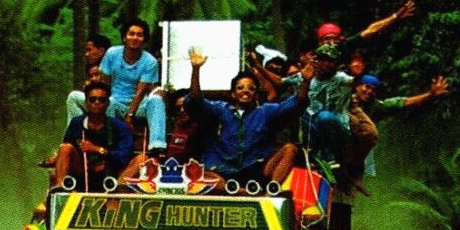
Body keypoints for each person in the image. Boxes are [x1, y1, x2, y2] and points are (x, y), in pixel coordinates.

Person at [185, 48, 308, 185]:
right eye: (240, 88)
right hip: (222, 170)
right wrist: (196, 69)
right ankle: (239, 192)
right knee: (205, 179)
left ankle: (271, 192)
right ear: (233, 94)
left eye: (251, 88)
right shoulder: (220, 109)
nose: (245, 91)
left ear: (256, 95)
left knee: (290, 149)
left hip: (256, 169)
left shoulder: (265, 111)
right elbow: (195, 101)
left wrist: (306, 81)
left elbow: (297, 103)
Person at [343, 72, 451, 183]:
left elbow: (403, 102)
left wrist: (430, 94)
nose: (370, 91)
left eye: (374, 90)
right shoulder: (344, 99)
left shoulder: (377, 107)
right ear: (358, 86)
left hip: (354, 151)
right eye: (367, 87)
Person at [97, 18, 168, 156]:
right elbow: (104, 83)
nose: (135, 38)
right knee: (101, 101)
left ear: (144, 40)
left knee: (156, 100)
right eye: (131, 34)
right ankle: (106, 143)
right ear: (124, 37)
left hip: (139, 105)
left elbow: (141, 91)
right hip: (115, 101)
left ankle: (157, 145)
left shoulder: (150, 61)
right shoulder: (112, 53)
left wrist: (130, 116)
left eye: (139, 35)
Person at [52, 80, 134, 188]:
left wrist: (98, 149)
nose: (97, 103)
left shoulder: (119, 127)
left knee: (142, 159)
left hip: (111, 175)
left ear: (108, 103)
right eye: (92, 99)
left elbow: (124, 157)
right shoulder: (76, 123)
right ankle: (61, 188)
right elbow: (68, 151)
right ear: (86, 103)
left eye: (102, 100)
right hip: (84, 171)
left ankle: (117, 190)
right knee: (65, 148)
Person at [63, 32, 113, 126]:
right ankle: (78, 132)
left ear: (101, 51)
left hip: (113, 103)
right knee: (74, 97)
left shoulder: (113, 66)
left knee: (73, 97)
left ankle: (76, 134)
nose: (86, 54)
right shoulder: (93, 66)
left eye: (89, 50)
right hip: (98, 103)